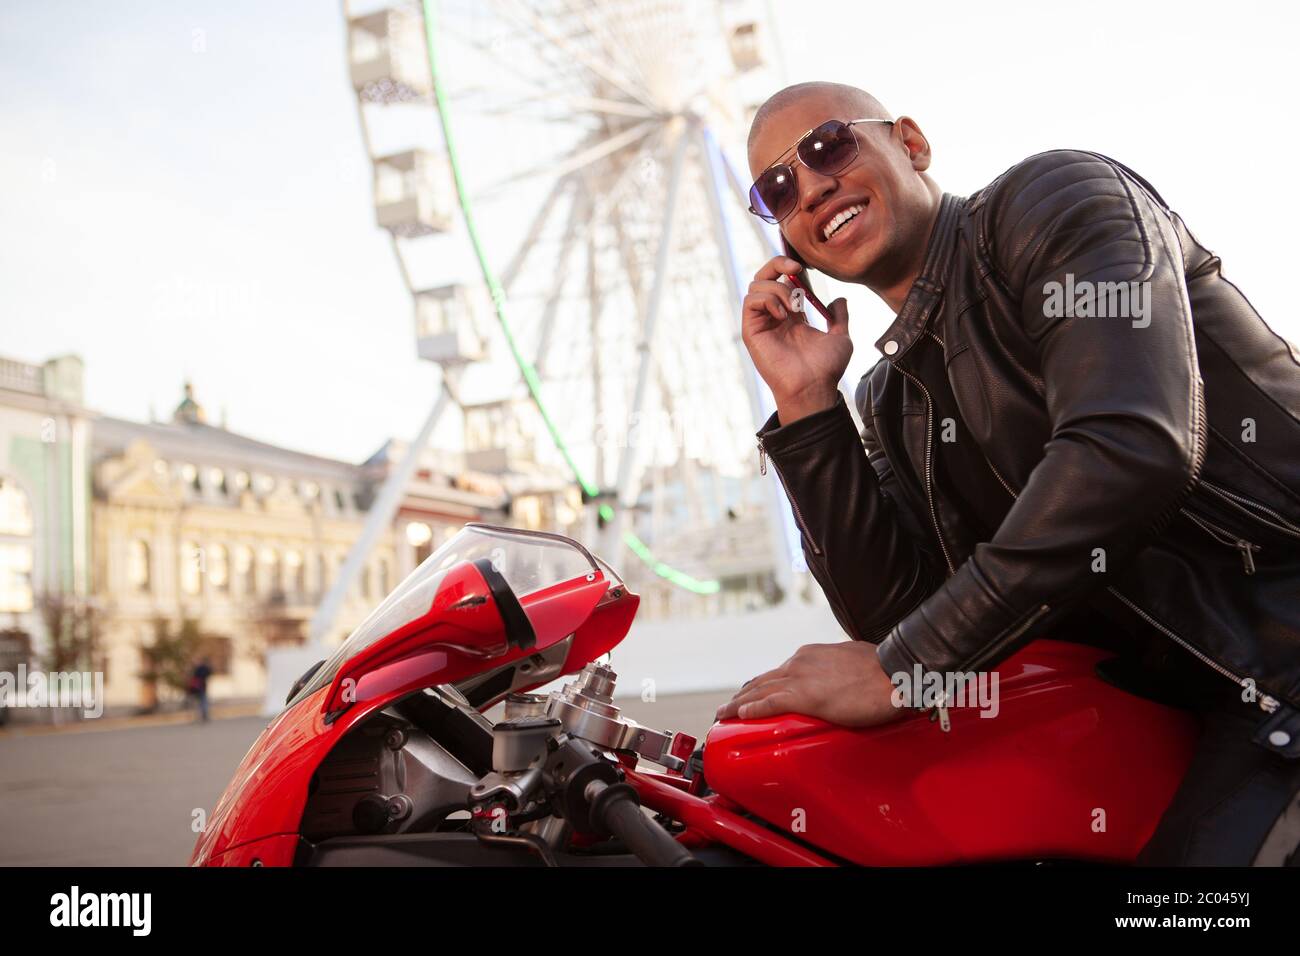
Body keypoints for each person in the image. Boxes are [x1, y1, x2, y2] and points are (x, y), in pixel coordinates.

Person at [717, 81, 1300, 865]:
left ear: (912, 144)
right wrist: (807, 404)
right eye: (778, 188)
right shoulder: (893, 398)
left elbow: (1128, 449)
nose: (813, 185)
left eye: (829, 146)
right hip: (1204, 706)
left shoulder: (1058, 202)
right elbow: (894, 614)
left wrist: (905, 670)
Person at [188, 658, 213, 723]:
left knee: (200, 702)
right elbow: (209, 673)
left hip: (197, 688)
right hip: (201, 687)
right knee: (203, 701)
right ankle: (203, 715)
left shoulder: (197, 669)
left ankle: (200, 716)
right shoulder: (203, 669)